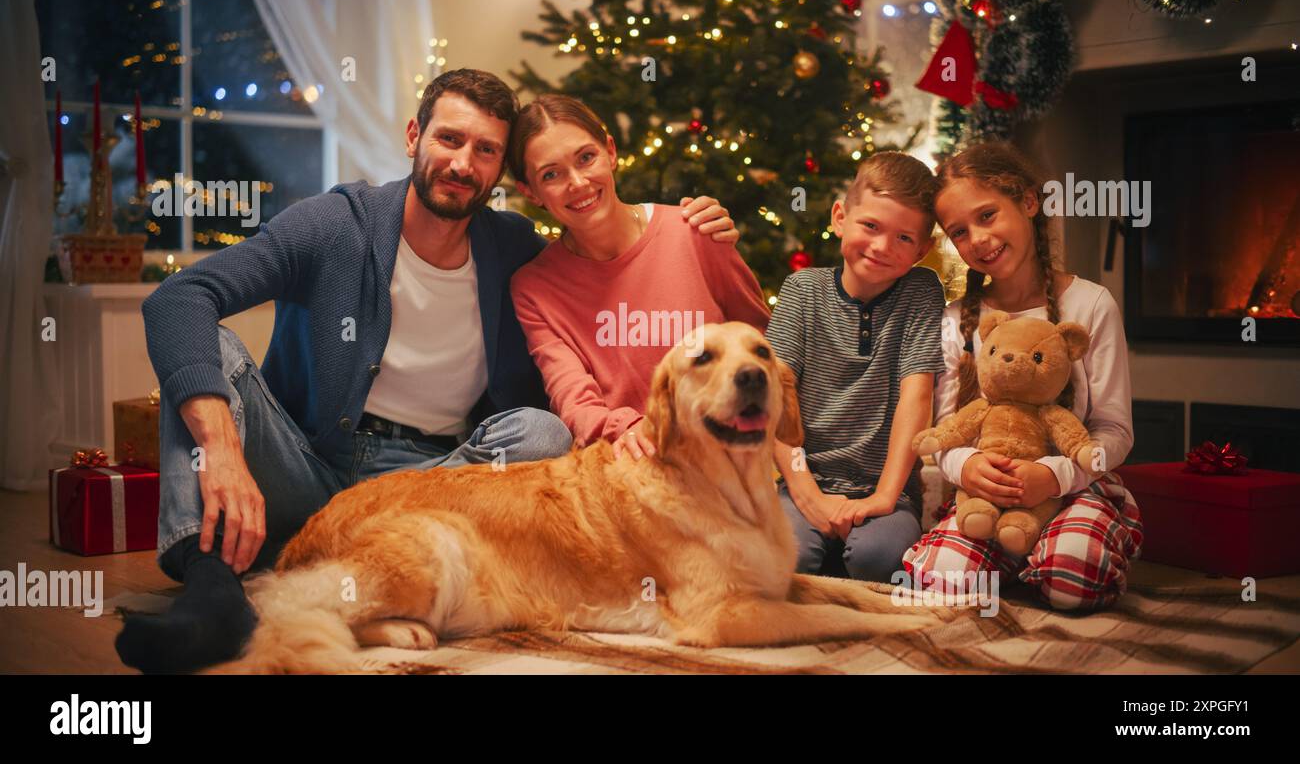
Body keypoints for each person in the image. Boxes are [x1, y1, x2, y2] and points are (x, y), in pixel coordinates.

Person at [115, 69, 738, 673]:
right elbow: (177, 299)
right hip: (306, 465)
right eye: (450, 139)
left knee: (538, 433)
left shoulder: (516, 250)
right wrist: (222, 452)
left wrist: (686, 226)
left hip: (432, 488)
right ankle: (211, 588)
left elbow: (600, 269)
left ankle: (419, 585)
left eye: (486, 150)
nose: (464, 163)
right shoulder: (336, 226)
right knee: (208, 352)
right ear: (415, 137)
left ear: (503, 174)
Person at [901, 141, 1142, 611]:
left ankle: (1064, 549)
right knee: (944, 584)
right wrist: (967, 466)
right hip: (986, 497)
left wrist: (1052, 477)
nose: (979, 239)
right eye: (960, 232)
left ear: (1028, 202)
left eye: (987, 216)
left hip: (1076, 489)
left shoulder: (1090, 305)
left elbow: (1114, 431)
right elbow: (949, 432)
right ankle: (1018, 556)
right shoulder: (955, 321)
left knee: (1075, 581)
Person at [508, 94, 769, 457]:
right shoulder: (535, 288)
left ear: (610, 151)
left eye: (586, 157)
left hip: (730, 447)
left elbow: (762, 335)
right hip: (631, 460)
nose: (579, 182)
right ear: (529, 191)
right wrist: (630, 429)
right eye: (551, 174)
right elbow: (573, 400)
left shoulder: (695, 230)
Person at [766, 151, 947, 582]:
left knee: (879, 560)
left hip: (886, 493)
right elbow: (776, 400)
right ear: (840, 217)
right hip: (801, 482)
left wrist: (885, 497)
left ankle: (845, 552)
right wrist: (808, 496)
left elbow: (916, 397)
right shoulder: (801, 289)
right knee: (785, 560)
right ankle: (816, 545)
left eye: (904, 239)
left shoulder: (921, 293)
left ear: (923, 250)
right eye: (871, 226)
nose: (883, 246)